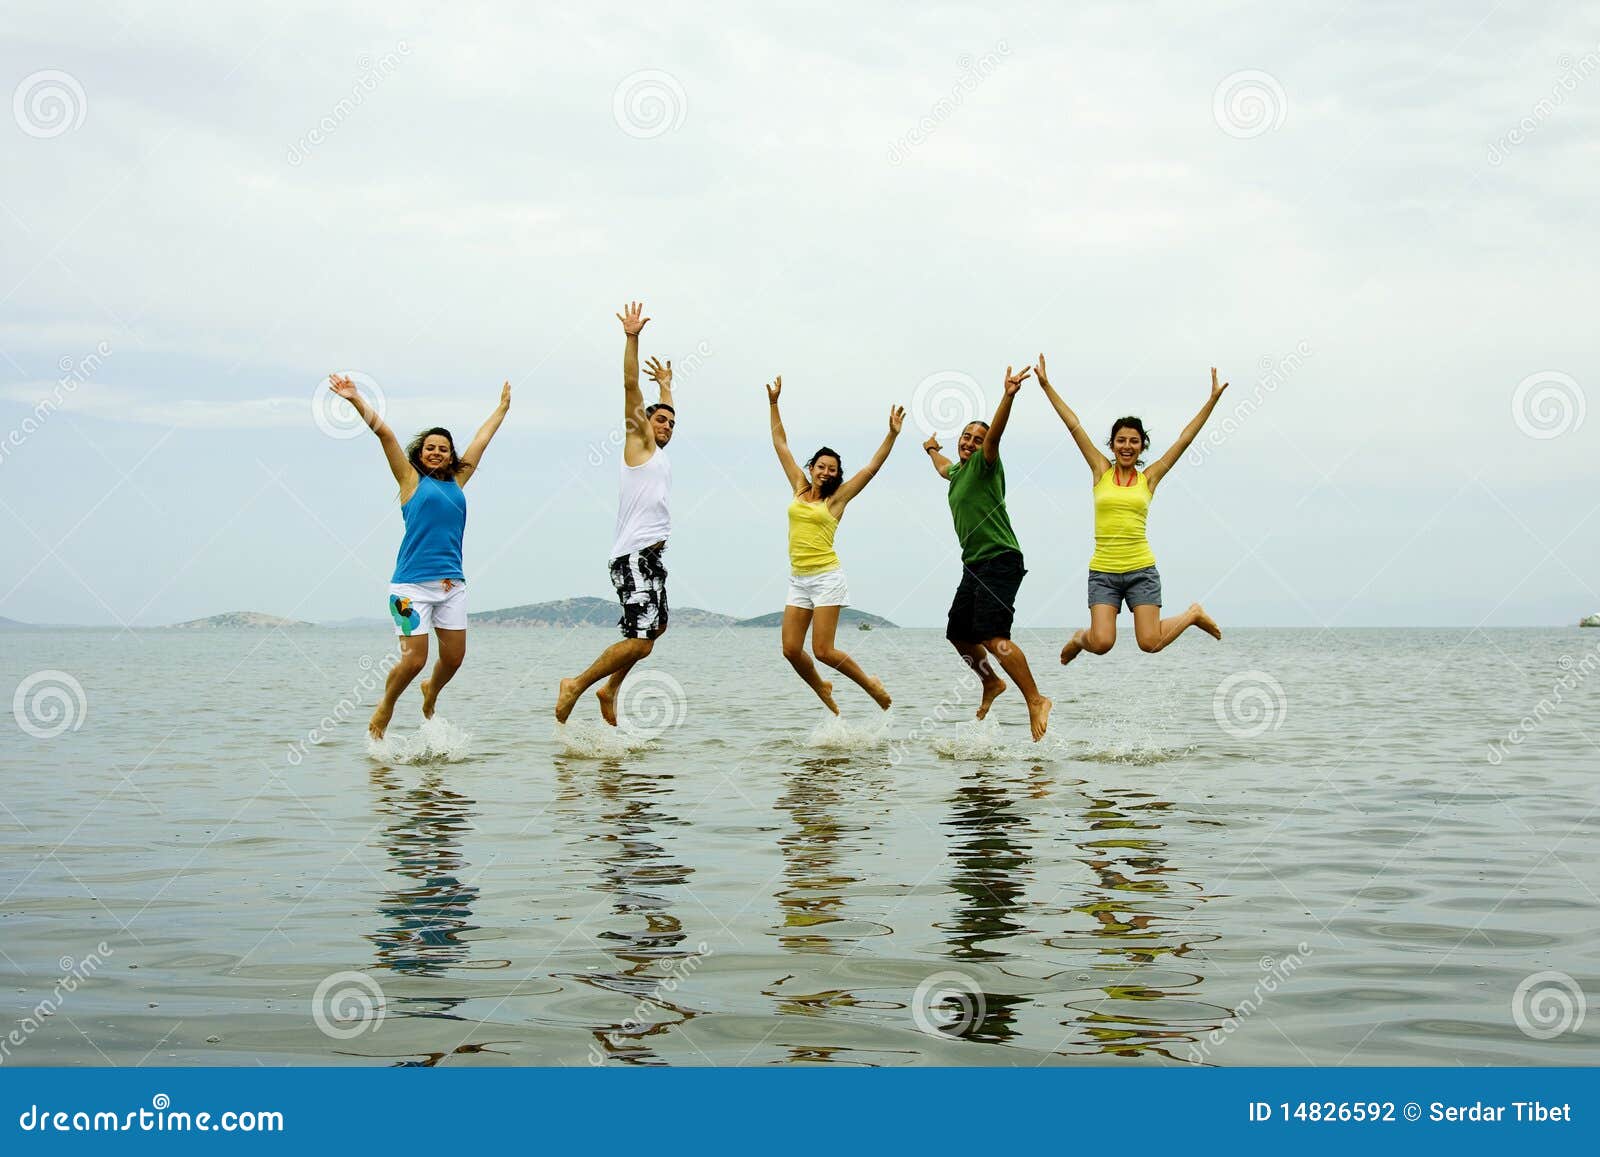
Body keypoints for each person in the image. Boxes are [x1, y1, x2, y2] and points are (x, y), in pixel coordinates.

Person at [326, 374, 511, 738]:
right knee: (415, 658)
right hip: (409, 588)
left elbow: (482, 440)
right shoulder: (409, 481)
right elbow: (386, 435)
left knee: (454, 658)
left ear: (451, 455)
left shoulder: (457, 482)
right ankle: (386, 706)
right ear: (421, 452)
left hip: (451, 585)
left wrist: (501, 409)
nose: (437, 451)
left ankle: (431, 691)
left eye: (444, 447)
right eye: (430, 447)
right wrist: (354, 399)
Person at [1033, 354, 1225, 663]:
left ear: (1141, 447)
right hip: (1104, 572)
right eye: (1121, 440)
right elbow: (1074, 425)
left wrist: (1212, 400)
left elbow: (1184, 439)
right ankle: (1079, 638)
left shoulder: (1149, 478)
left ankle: (1192, 615)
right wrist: (1046, 385)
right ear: (1111, 445)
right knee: (1102, 642)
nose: (1126, 446)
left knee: (1149, 643)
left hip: (1140, 569)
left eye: (1134, 441)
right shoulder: (1100, 471)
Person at [556, 301, 677, 726]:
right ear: (642, 423)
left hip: (653, 556)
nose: (665, 426)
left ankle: (610, 689)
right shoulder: (638, 444)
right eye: (659, 421)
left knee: (653, 631)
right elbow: (630, 388)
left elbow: (664, 411)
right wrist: (632, 338)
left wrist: (667, 385)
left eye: (670, 424)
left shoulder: (657, 454)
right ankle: (578, 684)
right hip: (633, 556)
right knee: (641, 642)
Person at [922, 365, 1052, 741]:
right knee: (958, 633)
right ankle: (991, 682)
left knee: (994, 636)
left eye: (976, 439)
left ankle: (1036, 698)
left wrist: (1008, 396)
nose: (970, 443)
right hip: (974, 565)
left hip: (1001, 558)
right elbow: (943, 466)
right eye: (966, 436)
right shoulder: (958, 473)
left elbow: (994, 435)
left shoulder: (984, 464)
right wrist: (932, 448)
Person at [765, 374, 902, 713]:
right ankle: (822, 688)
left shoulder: (837, 500)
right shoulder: (798, 486)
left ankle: (872, 686)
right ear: (811, 468)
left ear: (838, 475)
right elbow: (780, 443)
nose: (826, 472)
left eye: (833, 469)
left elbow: (871, 467)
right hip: (799, 579)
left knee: (824, 650)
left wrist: (891, 435)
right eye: (821, 467)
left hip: (826, 577)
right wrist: (773, 404)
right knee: (791, 650)